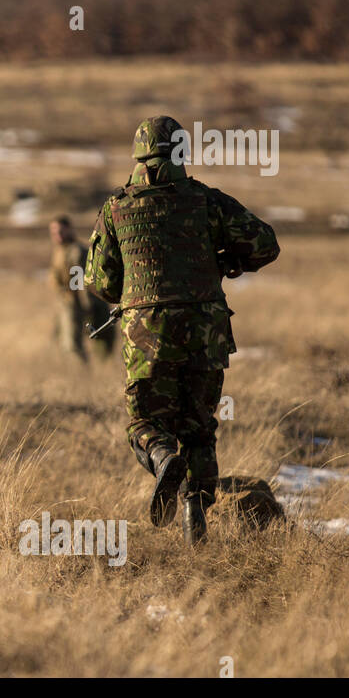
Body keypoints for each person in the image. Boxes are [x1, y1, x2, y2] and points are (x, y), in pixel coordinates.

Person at [85, 116, 280, 543]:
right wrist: (230, 261)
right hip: (205, 331)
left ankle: (160, 456)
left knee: (144, 420)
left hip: (146, 334)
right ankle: (196, 523)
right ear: (180, 153)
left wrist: (134, 289)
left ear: (138, 156)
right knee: (198, 426)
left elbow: (100, 282)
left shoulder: (116, 207)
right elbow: (265, 243)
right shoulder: (208, 202)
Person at [48, 215, 115, 361]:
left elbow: (79, 283)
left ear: (69, 230)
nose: (57, 236)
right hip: (67, 302)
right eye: (54, 233)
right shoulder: (60, 251)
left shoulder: (76, 251)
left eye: (61, 231)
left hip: (80, 303)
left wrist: (86, 306)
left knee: (77, 345)